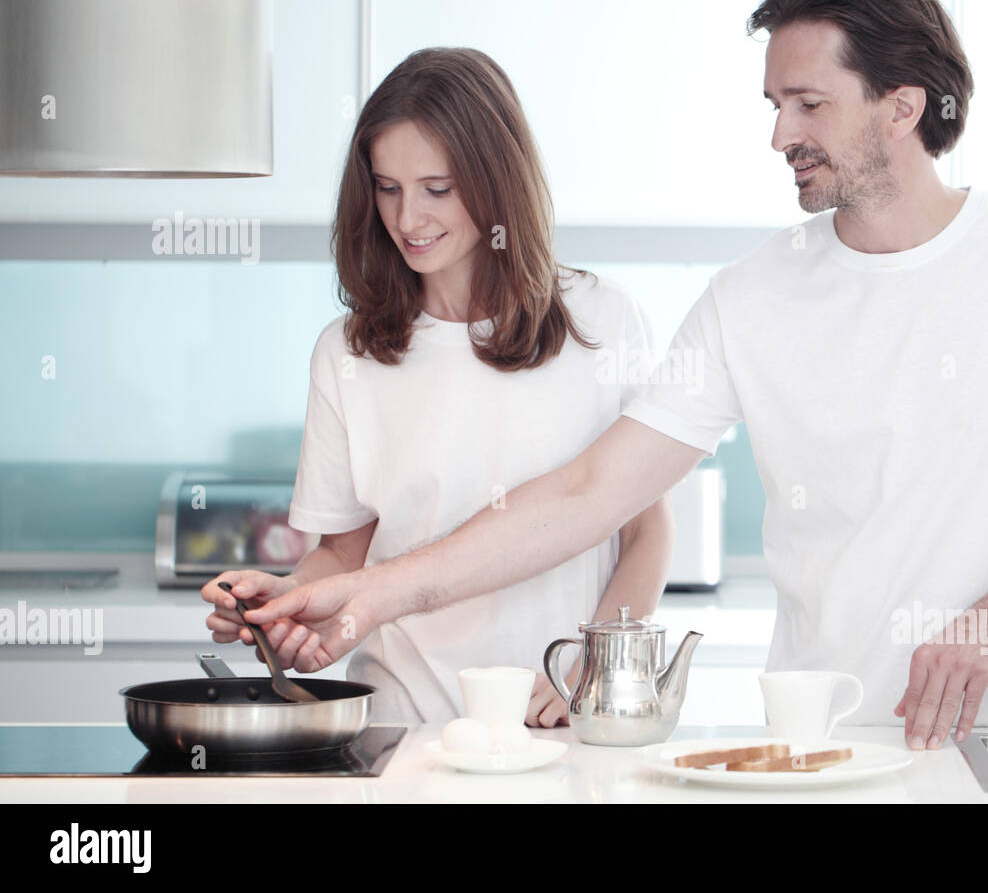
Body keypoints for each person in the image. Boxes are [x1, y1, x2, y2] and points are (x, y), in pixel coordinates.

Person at [236, 0, 988, 751]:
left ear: (903, 108)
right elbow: (586, 497)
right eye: (775, 103)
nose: (780, 134)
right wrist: (364, 597)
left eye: (809, 105)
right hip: (826, 745)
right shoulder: (751, 298)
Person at [201, 47, 673, 728]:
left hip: (558, 726)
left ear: (495, 180)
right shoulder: (347, 353)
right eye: (387, 187)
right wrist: (284, 600)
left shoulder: (603, 321)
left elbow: (647, 529)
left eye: (437, 188)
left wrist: (593, 662)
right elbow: (342, 554)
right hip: (405, 729)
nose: (408, 219)